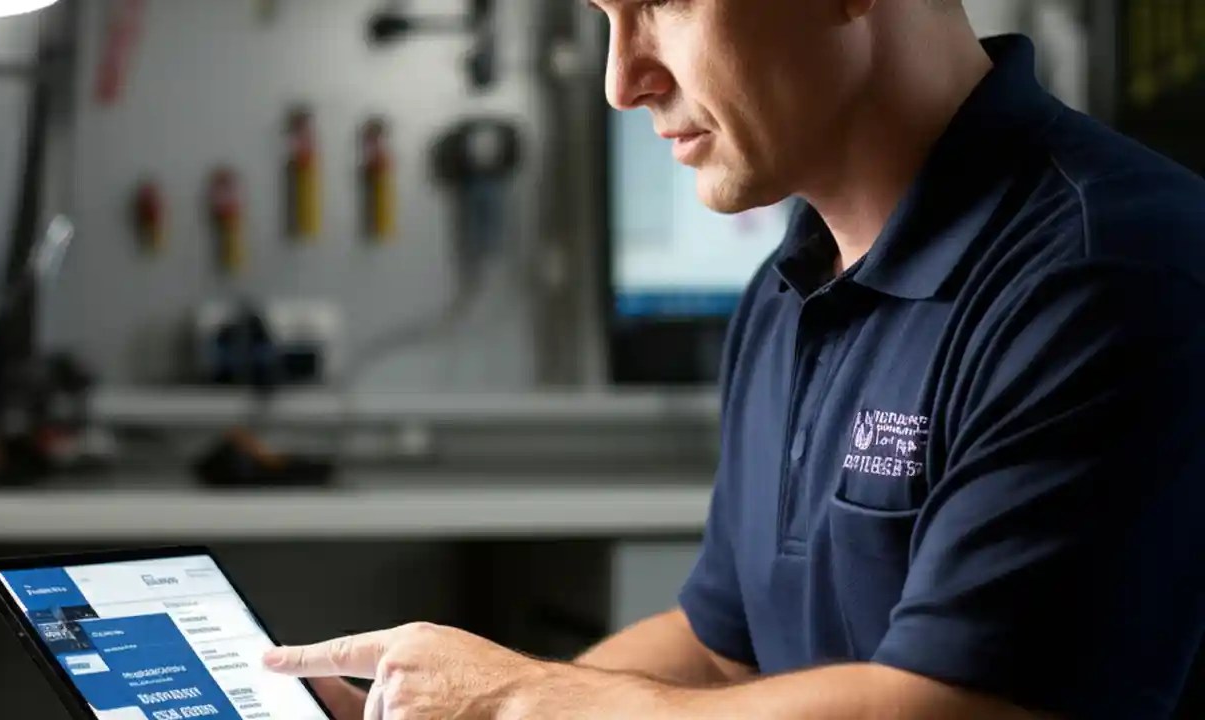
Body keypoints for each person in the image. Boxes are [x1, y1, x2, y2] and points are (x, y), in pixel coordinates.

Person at [264, 0, 1205, 717]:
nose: (621, 81)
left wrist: (522, 700)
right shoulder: (789, 291)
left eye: (665, 4)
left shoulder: (1108, 267)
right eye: (607, 19)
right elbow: (725, 652)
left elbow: (955, 706)